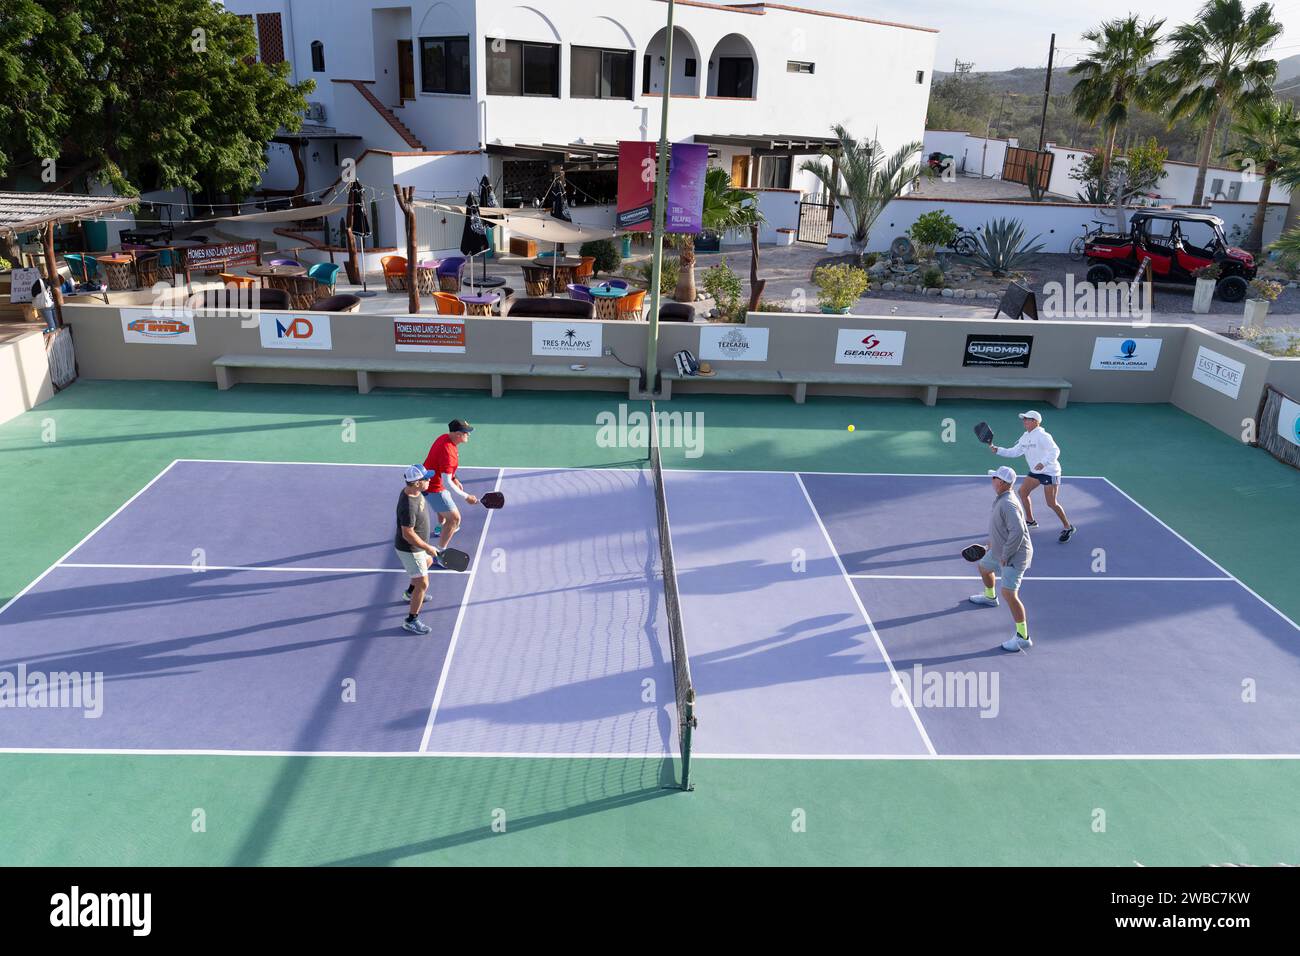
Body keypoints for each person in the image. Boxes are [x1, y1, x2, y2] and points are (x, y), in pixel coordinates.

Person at [969, 466, 1034, 652]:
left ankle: (1023, 637)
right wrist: (991, 544)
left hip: (1014, 555)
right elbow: (1002, 527)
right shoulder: (1001, 498)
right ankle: (990, 597)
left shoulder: (1008, 503)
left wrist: (1006, 554)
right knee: (983, 567)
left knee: (1009, 594)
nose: (992, 481)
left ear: (1003, 482)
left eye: (994, 478)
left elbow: (1019, 531)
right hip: (999, 550)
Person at [990, 410, 1076, 542]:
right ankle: (1031, 521)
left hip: (1049, 471)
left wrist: (1044, 463)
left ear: (1035, 421)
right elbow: (1015, 452)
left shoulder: (1043, 436)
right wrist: (999, 450)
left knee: (1051, 503)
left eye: (1027, 419)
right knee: (1023, 492)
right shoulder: (1025, 437)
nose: (1024, 421)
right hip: (1035, 471)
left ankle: (1068, 527)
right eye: (1023, 419)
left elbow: (1055, 450)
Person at [421, 419, 479, 563]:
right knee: (455, 519)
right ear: (458, 434)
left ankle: (441, 528)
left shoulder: (445, 438)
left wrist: (455, 477)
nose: (468, 435)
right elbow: (447, 481)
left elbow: (445, 470)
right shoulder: (449, 452)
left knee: (444, 508)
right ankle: (439, 555)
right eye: (466, 433)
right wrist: (466, 497)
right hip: (433, 488)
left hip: (429, 481)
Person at [395, 464, 442, 635]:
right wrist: (428, 547)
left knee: (428, 562)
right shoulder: (408, 506)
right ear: (416, 483)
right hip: (411, 548)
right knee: (423, 582)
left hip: (418, 547)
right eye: (425, 479)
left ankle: (409, 593)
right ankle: (411, 620)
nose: (429, 480)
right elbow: (407, 533)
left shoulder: (414, 491)